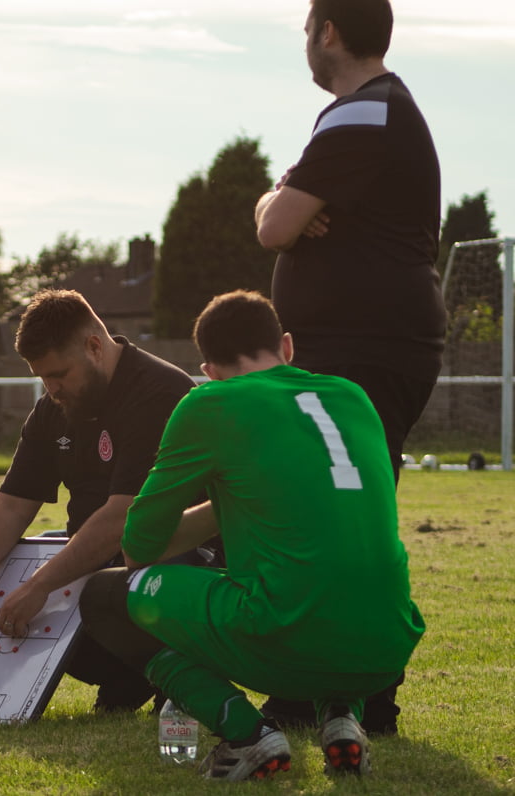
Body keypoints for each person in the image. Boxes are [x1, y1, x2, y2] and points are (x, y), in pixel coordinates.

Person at [79, 290, 425, 781]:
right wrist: (237, 500)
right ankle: (342, 718)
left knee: (105, 595)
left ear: (209, 369)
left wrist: (219, 506)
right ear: (286, 347)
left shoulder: (211, 402)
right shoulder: (352, 397)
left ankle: (248, 734)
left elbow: (140, 547)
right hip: (386, 649)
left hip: (289, 638)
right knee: (320, 569)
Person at [253, 0, 445, 734]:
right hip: (373, 344)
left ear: (328, 31)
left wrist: (282, 194)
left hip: (363, 348)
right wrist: (294, 193)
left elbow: (274, 225)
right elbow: (291, 213)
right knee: (348, 512)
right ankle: (345, 691)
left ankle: (344, 693)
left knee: (334, 514)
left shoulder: (361, 113)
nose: (306, 42)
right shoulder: (370, 115)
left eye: (308, 28)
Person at [0, 288, 208, 712]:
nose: (51, 388)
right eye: (42, 378)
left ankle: (177, 679)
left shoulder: (158, 391)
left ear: (94, 346)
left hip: (179, 560)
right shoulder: (56, 404)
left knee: (131, 575)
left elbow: (125, 516)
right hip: (103, 568)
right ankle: (128, 675)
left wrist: (42, 584)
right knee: (14, 574)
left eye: (59, 374)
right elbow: (13, 502)